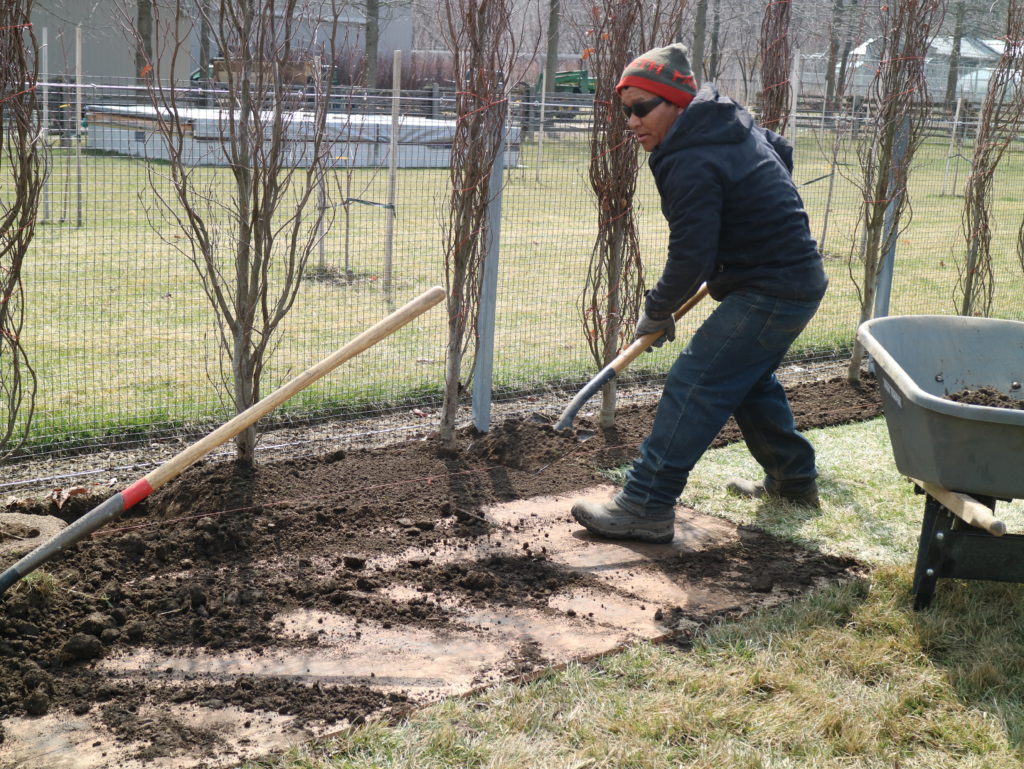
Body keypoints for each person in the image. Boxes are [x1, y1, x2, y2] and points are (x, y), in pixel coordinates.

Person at [571, 43, 828, 545]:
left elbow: (690, 254)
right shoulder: (725, 122)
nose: (631, 121)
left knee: (696, 382)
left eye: (643, 109)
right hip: (787, 278)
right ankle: (793, 481)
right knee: (744, 380)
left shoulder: (689, 157)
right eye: (626, 111)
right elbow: (781, 151)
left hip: (775, 286)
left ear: (676, 104)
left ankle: (645, 502)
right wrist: (751, 226)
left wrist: (657, 310)